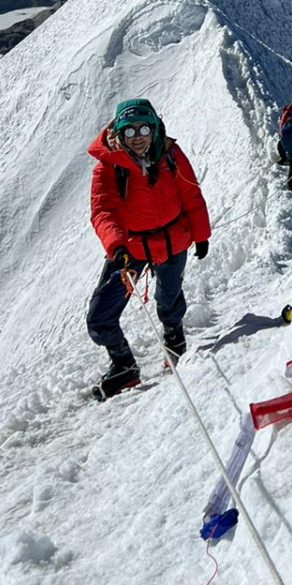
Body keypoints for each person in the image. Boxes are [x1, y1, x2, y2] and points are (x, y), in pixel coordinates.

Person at [88, 97, 210, 397]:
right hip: (130, 249)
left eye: (144, 128)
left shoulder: (170, 155)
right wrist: (116, 245)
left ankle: (174, 341)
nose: (138, 136)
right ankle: (125, 366)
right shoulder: (108, 167)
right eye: (129, 131)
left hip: (173, 239)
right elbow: (103, 211)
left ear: (154, 127)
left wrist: (201, 233)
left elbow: (191, 195)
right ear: (117, 133)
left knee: (169, 299)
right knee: (100, 316)